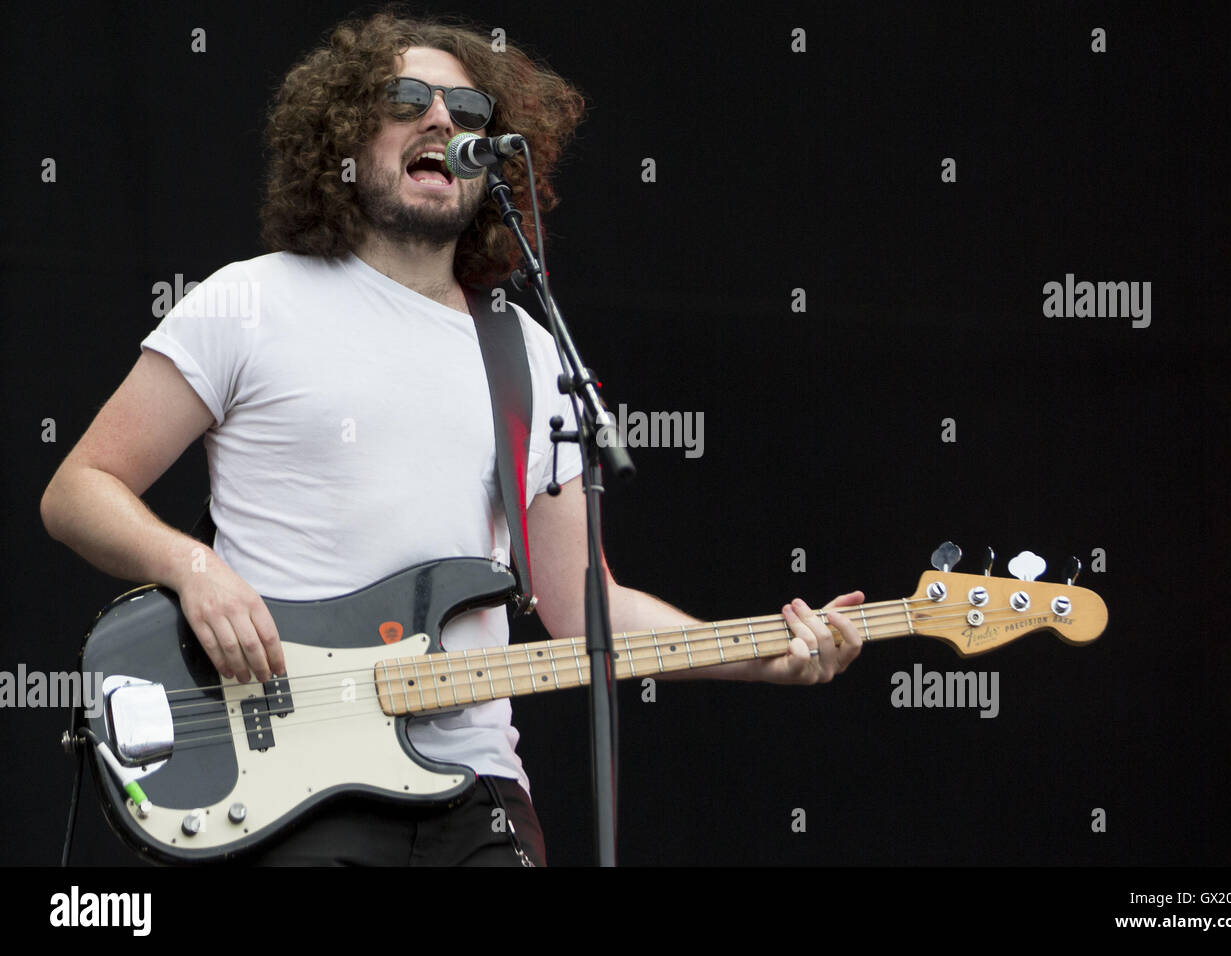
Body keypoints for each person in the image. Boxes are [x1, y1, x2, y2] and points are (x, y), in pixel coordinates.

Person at [39, 10, 864, 866]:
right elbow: (79, 489)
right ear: (343, 135)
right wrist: (194, 569)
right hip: (290, 783)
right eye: (408, 99)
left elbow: (582, 605)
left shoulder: (526, 352)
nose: (443, 121)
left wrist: (763, 654)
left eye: (469, 111)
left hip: (477, 789)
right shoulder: (250, 302)